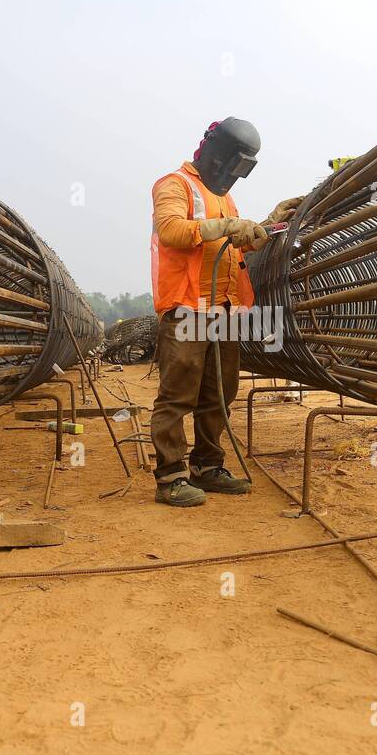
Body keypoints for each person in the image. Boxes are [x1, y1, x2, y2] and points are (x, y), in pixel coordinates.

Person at [148, 117, 300, 507]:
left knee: (219, 392)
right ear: (217, 153)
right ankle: (170, 478)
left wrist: (268, 224)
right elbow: (171, 230)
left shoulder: (224, 197)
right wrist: (227, 224)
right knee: (178, 394)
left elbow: (229, 246)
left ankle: (208, 466)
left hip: (224, 310)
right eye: (233, 164)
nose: (233, 174)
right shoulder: (174, 184)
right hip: (186, 309)